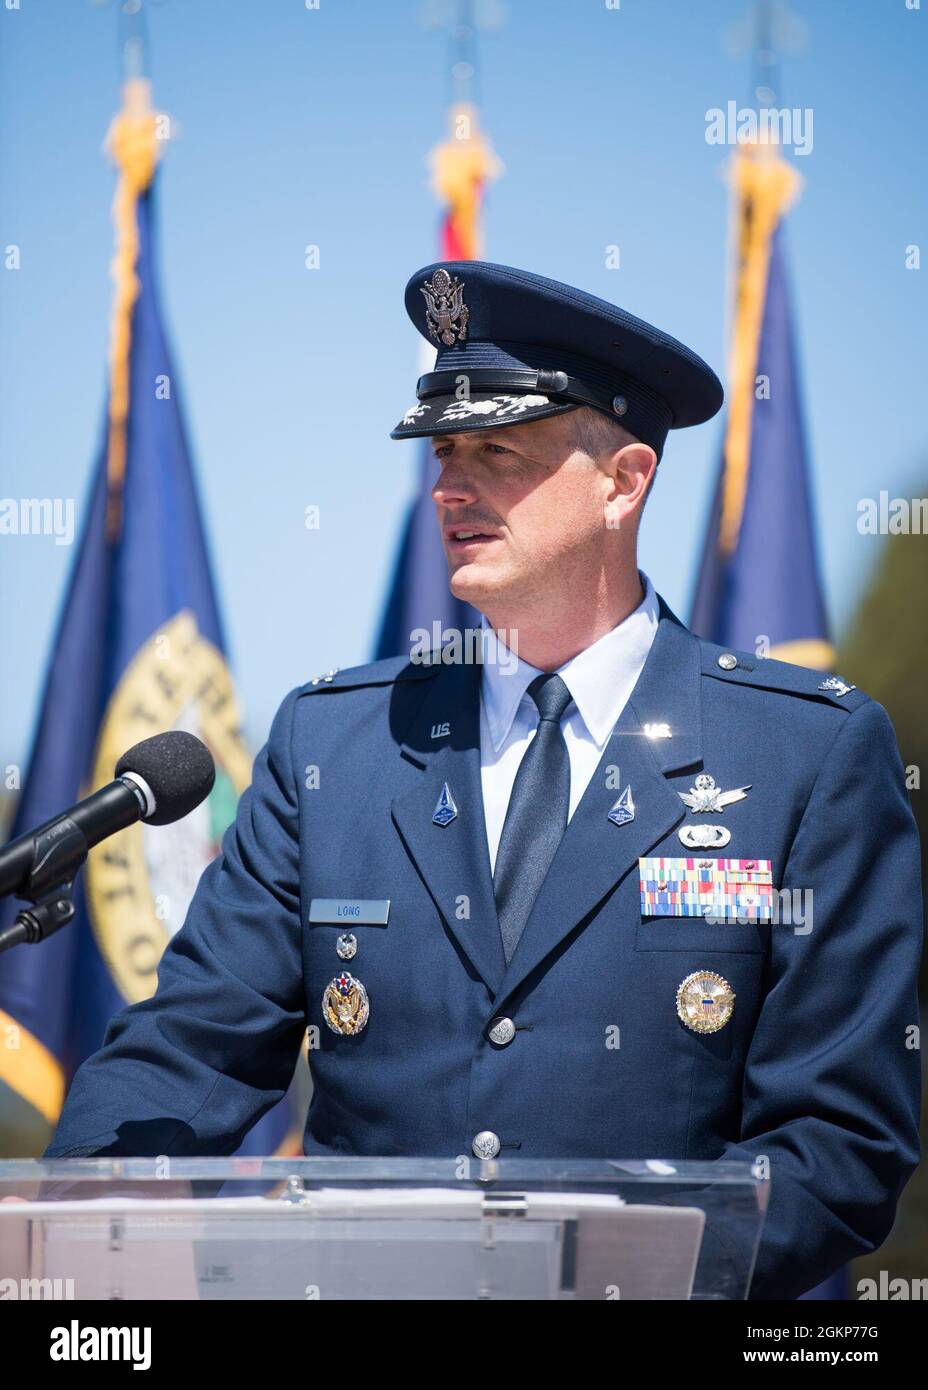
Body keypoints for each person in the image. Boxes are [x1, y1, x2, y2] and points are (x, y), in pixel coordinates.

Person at [45, 261, 922, 1299]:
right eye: (443, 452)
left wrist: (591, 1275)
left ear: (623, 479)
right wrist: (70, 1224)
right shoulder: (334, 746)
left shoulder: (804, 756)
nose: (450, 487)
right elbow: (185, 1049)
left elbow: (839, 1145)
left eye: (496, 451)